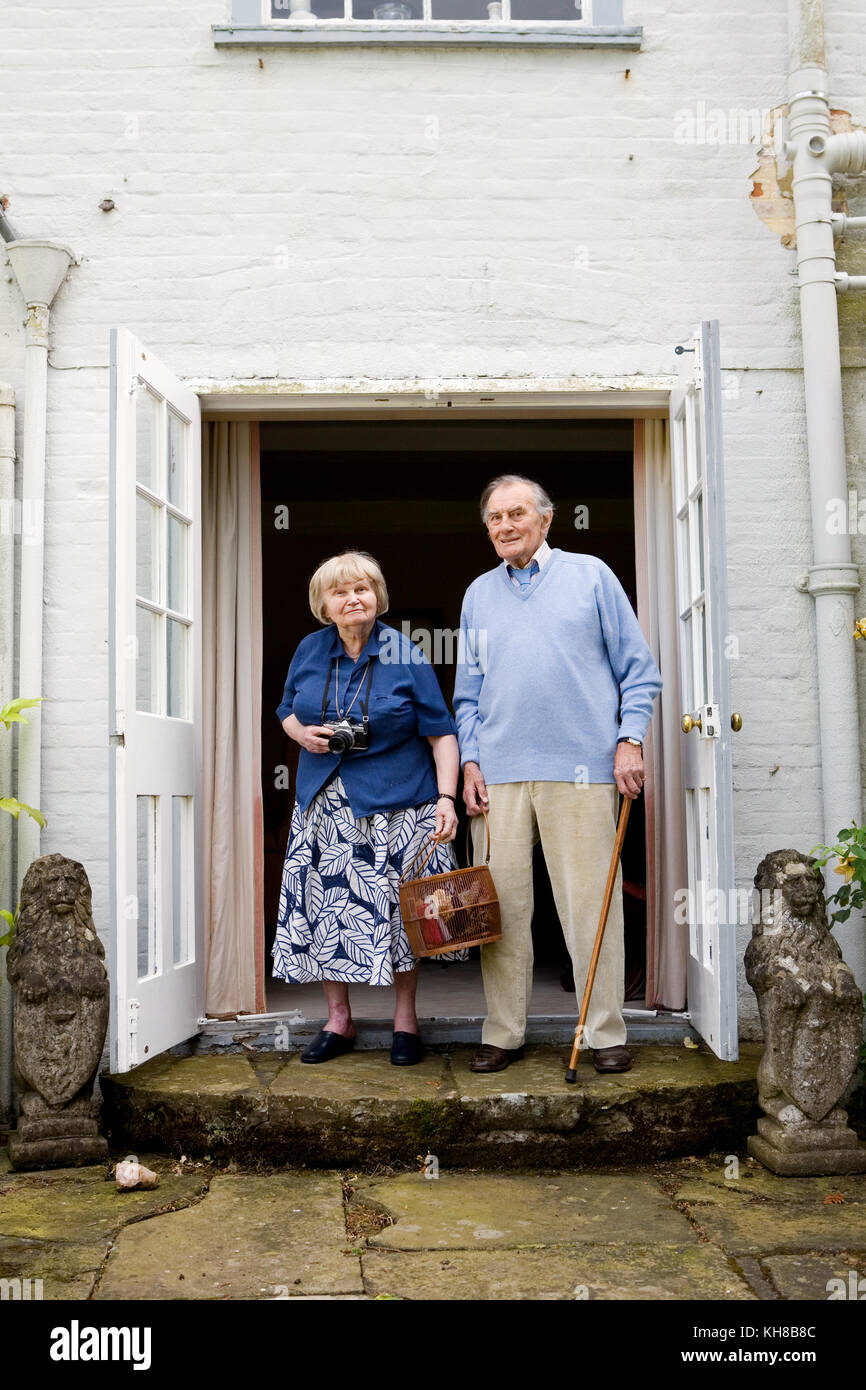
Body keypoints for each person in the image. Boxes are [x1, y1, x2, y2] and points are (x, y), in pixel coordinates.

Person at [453, 475, 662, 1075]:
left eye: (516, 513)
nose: (504, 526)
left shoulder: (591, 576)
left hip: (583, 770)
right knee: (500, 910)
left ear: (546, 520)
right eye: (494, 518)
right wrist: (470, 759)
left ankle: (604, 1032)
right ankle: (504, 1030)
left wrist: (628, 741)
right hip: (498, 776)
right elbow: (467, 693)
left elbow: (639, 672)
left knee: (590, 903)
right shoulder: (479, 595)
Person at [273, 551, 460, 1066]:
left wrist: (447, 799)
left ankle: (406, 1020)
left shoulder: (405, 652)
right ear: (324, 604)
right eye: (341, 591)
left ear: (377, 596)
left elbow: (442, 732)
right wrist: (299, 733)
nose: (353, 598)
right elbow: (286, 707)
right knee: (326, 912)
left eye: (363, 589)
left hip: (399, 805)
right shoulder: (309, 649)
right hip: (325, 803)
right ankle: (339, 1020)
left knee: (402, 917)